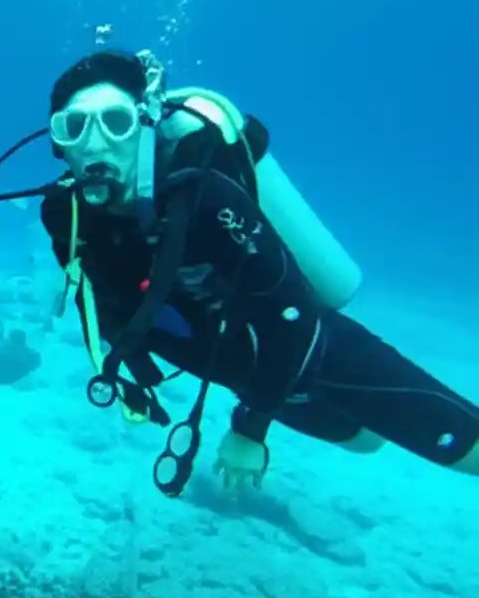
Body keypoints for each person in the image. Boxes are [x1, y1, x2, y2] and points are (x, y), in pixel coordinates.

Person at [23, 48, 479, 497]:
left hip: (312, 350)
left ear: (144, 124)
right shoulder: (65, 212)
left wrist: (249, 430)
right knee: (363, 440)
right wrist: (133, 373)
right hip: (232, 366)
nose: (95, 142)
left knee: (463, 448)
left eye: (116, 121)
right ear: (57, 143)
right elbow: (97, 298)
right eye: (74, 126)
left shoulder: (205, 196)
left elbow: (294, 313)